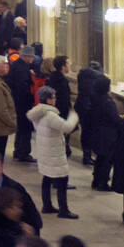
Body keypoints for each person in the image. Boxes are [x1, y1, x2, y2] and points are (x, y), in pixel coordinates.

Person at [27, 84, 79, 219]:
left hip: (45, 151)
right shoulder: (50, 115)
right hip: (54, 152)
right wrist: (74, 116)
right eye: (54, 97)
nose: (55, 99)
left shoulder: (38, 112)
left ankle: (47, 205)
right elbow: (67, 127)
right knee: (62, 180)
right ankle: (63, 210)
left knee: (47, 178)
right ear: (48, 100)